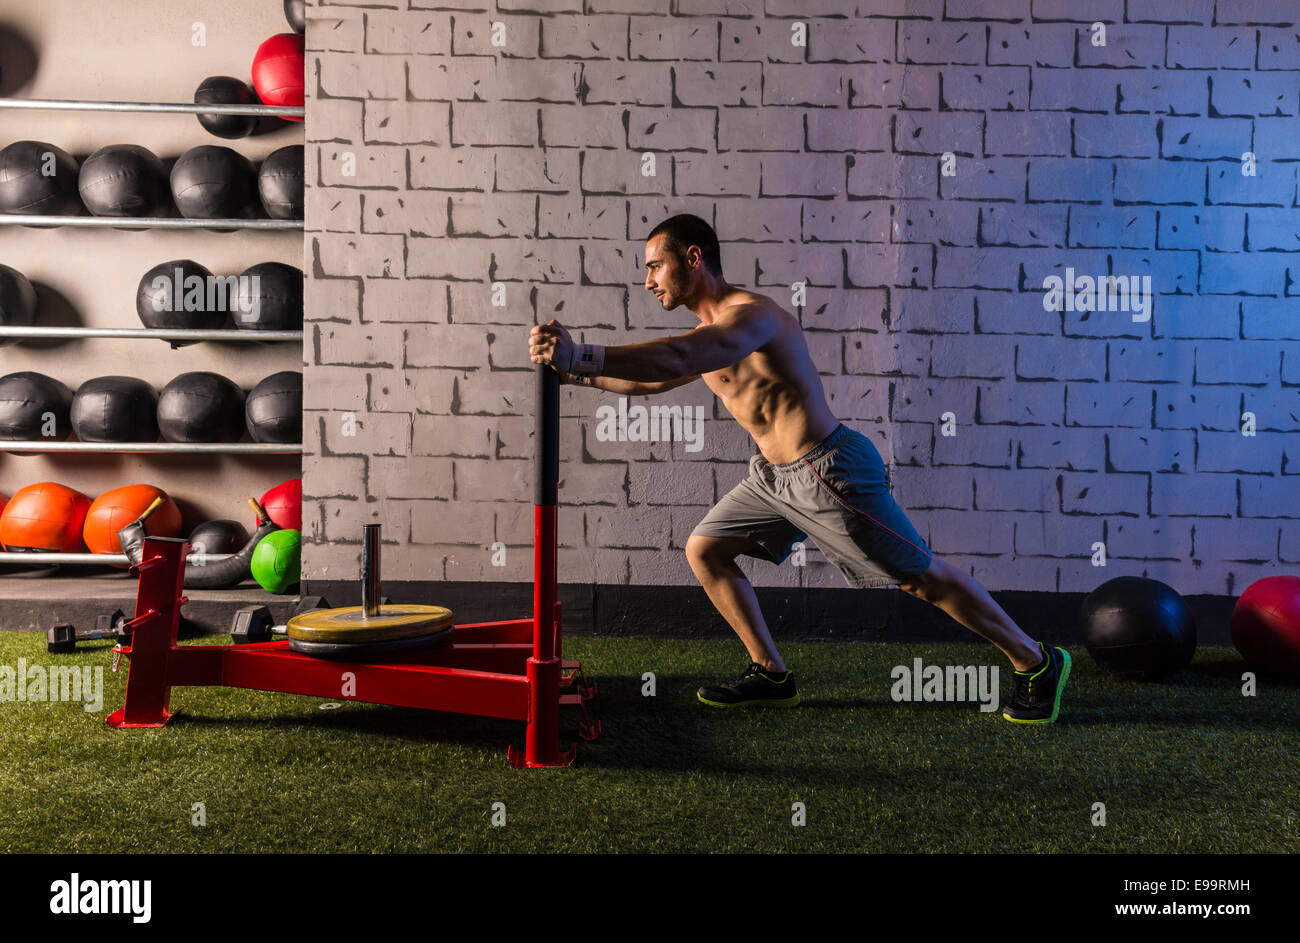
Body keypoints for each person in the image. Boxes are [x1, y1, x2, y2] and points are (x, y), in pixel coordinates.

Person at [528, 214, 1070, 724]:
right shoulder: (708, 333)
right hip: (773, 478)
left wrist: (585, 355)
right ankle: (770, 672)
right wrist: (573, 372)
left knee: (918, 578)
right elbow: (652, 380)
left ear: (692, 258)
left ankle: (1036, 661)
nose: (647, 280)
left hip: (828, 474)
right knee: (706, 548)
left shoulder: (750, 316)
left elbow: (674, 359)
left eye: (653, 265)